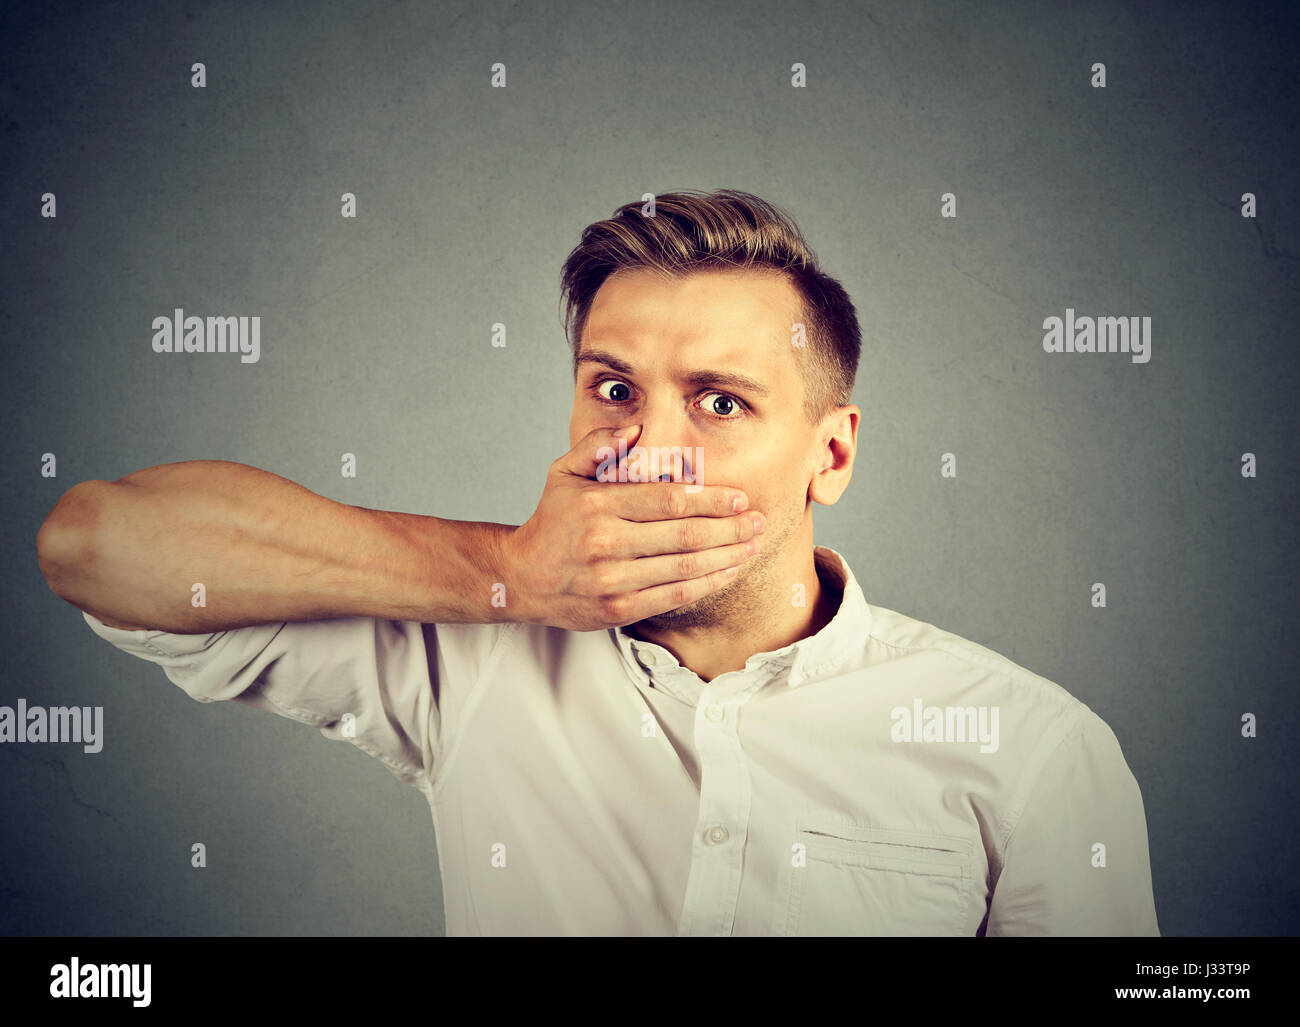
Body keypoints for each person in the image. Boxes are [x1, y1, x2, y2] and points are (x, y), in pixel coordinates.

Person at [36, 188, 1159, 936]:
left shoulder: (1032, 747)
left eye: (721, 402)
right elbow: (99, 543)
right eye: (613, 388)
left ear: (830, 453)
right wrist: (509, 578)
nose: (653, 447)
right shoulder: (468, 664)